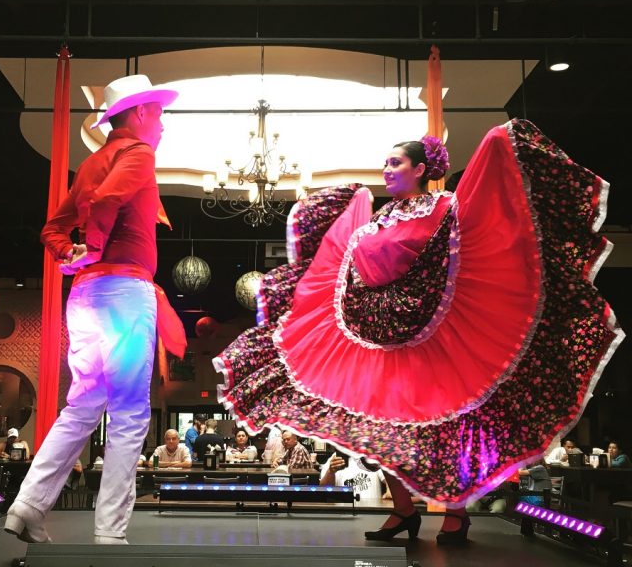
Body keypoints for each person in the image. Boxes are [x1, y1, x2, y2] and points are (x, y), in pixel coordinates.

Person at [214, 119, 624, 545]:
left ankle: (455, 513)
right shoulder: (379, 216)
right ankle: (403, 512)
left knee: (442, 426)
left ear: (421, 168)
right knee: (380, 430)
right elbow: (358, 265)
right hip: (378, 338)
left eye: (396, 162)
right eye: (385, 163)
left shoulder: (446, 208)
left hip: (435, 334)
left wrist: (497, 144)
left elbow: (478, 234)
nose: (387, 169)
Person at [4, 74, 185, 546]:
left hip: (83, 296)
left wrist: (72, 254)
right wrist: (94, 246)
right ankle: (110, 533)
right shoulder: (139, 154)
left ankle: (27, 505)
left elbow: (52, 228)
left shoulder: (91, 164)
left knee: (82, 405)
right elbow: (108, 202)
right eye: (159, 114)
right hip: (125, 293)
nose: (163, 124)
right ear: (140, 113)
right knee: (128, 414)